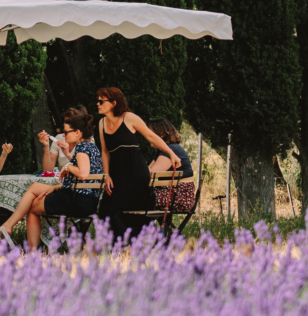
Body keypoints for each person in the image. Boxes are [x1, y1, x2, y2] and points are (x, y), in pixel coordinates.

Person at [0, 110, 102, 250]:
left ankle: (29, 249)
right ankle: (9, 226)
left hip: (76, 201)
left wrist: (67, 166)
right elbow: (86, 178)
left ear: (78, 132)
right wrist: (55, 187)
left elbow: (83, 174)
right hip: (88, 200)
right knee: (35, 187)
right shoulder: (92, 148)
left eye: (66, 132)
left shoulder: (82, 148)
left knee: (33, 207)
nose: (64, 135)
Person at [96, 87, 181, 242]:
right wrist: (106, 174)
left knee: (112, 210)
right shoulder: (102, 123)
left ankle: (127, 245)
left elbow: (151, 136)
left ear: (114, 103)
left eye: (102, 101)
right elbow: (105, 151)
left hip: (135, 172)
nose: (98, 104)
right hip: (116, 173)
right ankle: (132, 243)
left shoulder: (129, 118)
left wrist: (171, 153)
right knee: (106, 211)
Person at [147, 118, 196, 212]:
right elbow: (148, 170)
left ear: (160, 134)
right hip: (172, 194)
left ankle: (141, 226)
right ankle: (147, 225)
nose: (148, 137)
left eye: (150, 133)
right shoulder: (163, 151)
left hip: (180, 197)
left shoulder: (171, 150)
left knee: (138, 198)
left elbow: (151, 173)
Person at [38, 106, 83, 171]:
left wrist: (67, 154)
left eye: (68, 122)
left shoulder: (86, 141)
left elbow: (84, 169)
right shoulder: (59, 138)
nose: (64, 124)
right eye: (65, 121)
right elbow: (47, 170)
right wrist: (46, 146)